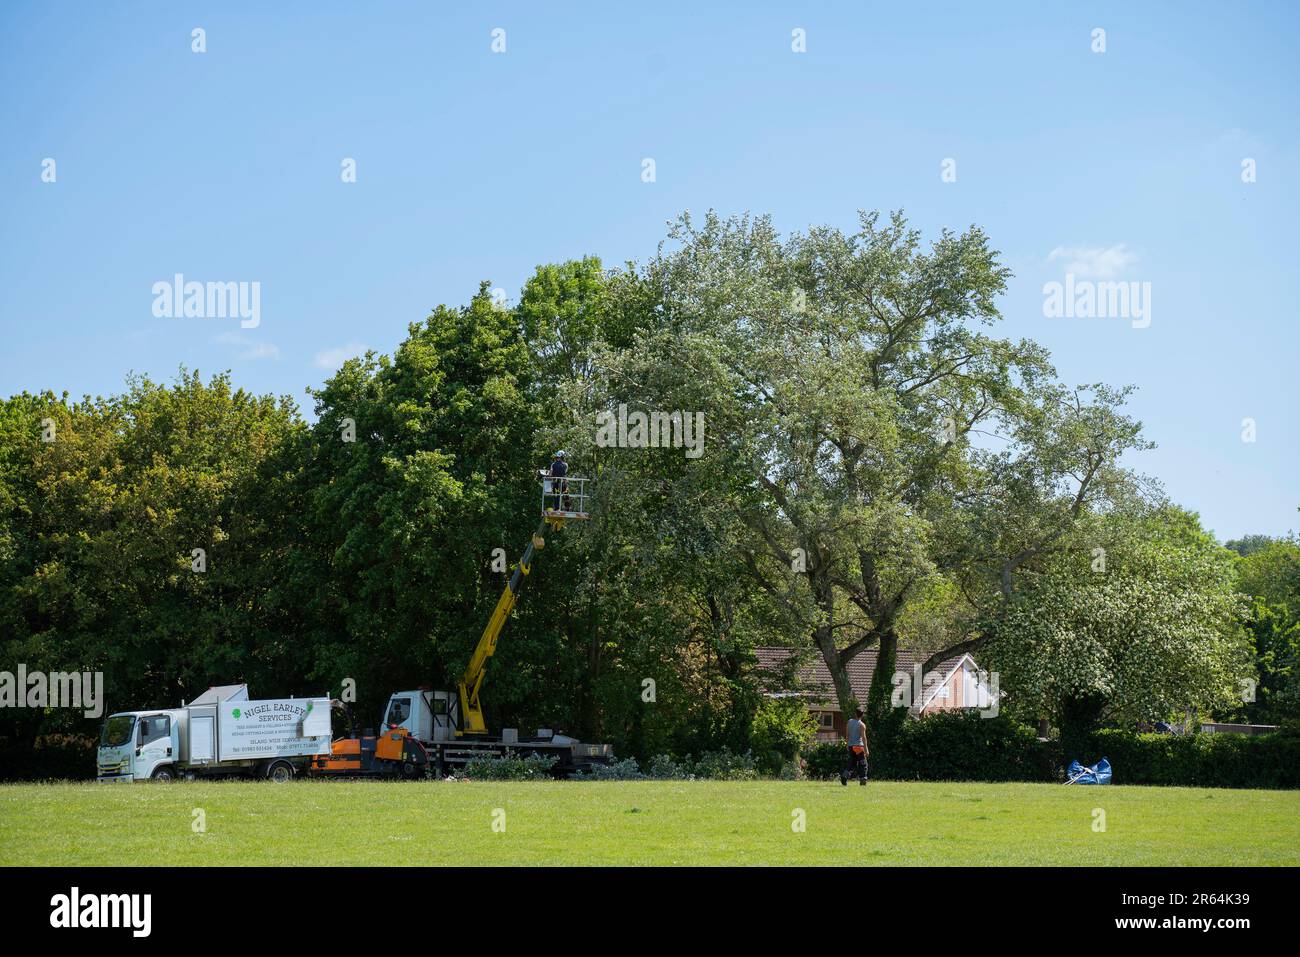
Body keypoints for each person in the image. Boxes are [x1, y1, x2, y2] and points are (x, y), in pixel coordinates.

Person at [840, 708, 869, 786]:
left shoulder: (849, 722)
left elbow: (847, 735)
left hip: (851, 746)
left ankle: (844, 777)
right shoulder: (862, 725)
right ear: (862, 715)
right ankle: (863, 780)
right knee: (863, 763)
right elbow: (864, 738)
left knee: (851, 763)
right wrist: (866, 750)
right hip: (859, 746)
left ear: (855, 714)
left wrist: (847, 745)